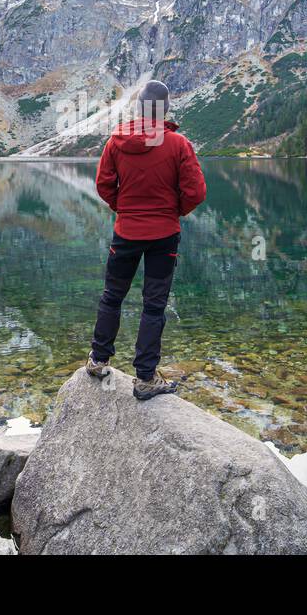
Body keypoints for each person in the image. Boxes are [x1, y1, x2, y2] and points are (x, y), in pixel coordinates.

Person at [86, 79, 207, 399]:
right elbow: (196, 193)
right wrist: (172, 212)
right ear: (164, 110)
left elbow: (103, 186)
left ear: (139, 108)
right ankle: (145, 378)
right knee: (154, 306)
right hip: (164, 236)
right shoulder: (179, 144)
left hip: (125, 232)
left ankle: (98, 360)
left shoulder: (116, 142)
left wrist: (123, 209)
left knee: (112, 295)